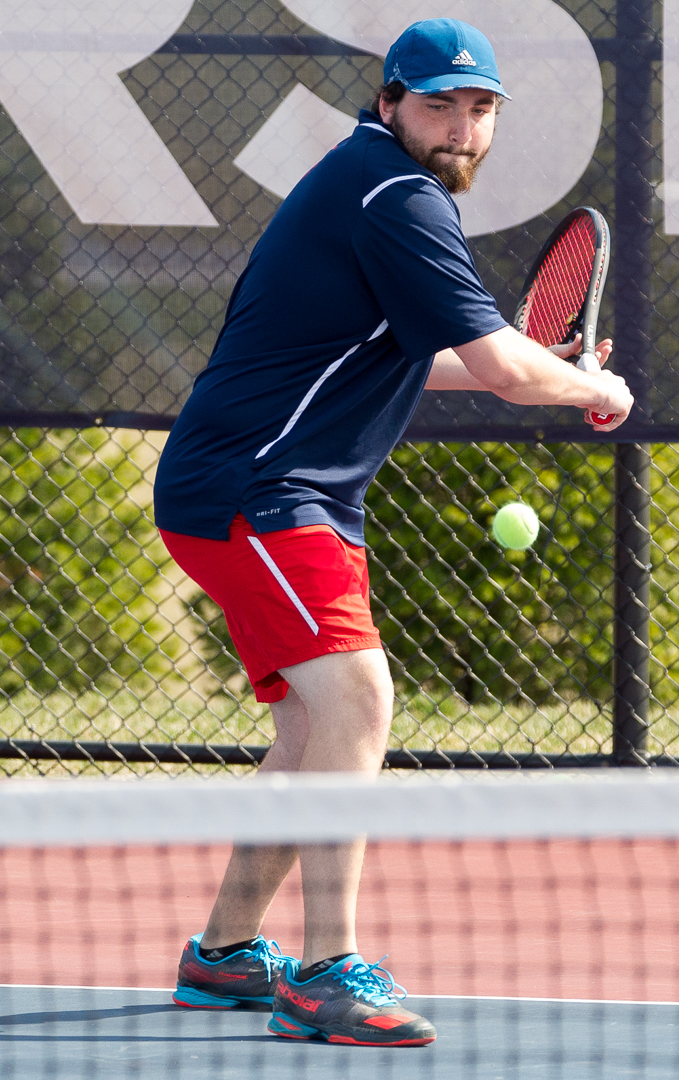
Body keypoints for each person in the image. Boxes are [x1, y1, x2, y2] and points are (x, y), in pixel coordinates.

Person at [152, 17, 633, 1047]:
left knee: (311, 727)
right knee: (361, 699)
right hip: (258, 489)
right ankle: (327, 971)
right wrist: (591, 384)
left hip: (284, 493)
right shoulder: (396, 196)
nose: (460, 129)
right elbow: (507, 368)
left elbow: (449, 361)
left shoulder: (378, 185)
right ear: (389, 106)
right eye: (439, 106)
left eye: (480, 108)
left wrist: (558, 382)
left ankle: (226, 955)